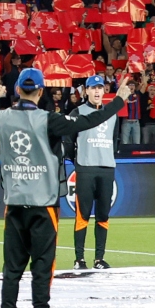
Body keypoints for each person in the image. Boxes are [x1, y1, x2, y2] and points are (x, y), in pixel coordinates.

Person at [0, 68, 126, 308]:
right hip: (44, 206)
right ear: (41, 92)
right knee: (42, 271)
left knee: (11, 271)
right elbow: (88, 122)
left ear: (17, 90)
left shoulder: (1, 117)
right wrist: (119, 100)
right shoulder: (49, 120)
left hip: (15, 205)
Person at [67, 74, 118, 269]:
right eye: (93, 88)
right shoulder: (77, 112)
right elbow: (69, 141)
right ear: (86, 91)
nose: (97, 91)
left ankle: (99, 258)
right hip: (86, 169)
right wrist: (78, 161)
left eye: (100, 88)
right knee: (83, 214)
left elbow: (115, 141)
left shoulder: (111, 113)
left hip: (106, 169)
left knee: (103, 214)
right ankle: (79, 259)